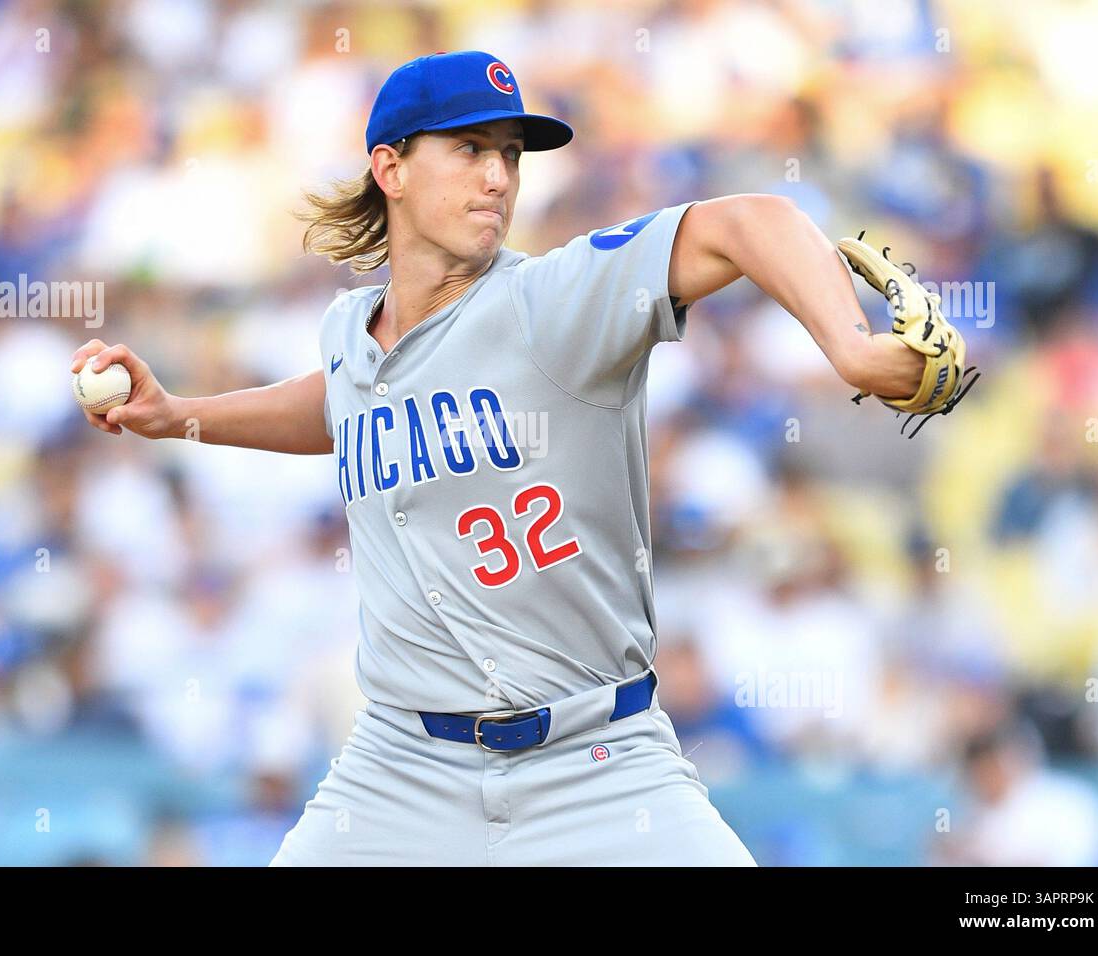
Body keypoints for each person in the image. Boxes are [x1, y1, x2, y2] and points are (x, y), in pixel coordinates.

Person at [71, 51, 928, 866]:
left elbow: (752, 220)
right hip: (402, 767)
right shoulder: (349, 333)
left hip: (597, 760)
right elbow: (337, 403)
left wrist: (850, 345)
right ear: (391, 168)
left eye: (511, 156)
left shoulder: (552, 303)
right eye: (471, 149)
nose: (498, 178)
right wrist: (177, 416)